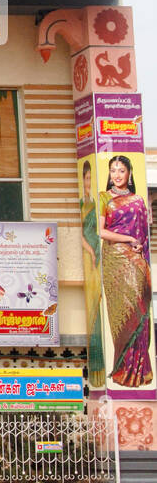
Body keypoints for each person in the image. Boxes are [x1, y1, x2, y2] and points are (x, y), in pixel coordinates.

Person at [99, 154, 154, 387]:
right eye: (113, 170)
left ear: (129, 174)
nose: (117, 175)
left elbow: (144, 235)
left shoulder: (139, 200)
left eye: (121, 170)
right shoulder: (103, 198)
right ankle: (123, 370)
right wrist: (129, 237)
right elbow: (102, 232)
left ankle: (139, 372)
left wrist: (138, 243)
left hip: (136, 260)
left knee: (138, 311)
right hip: (114, 261)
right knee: (121, 314)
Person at [80, 161, 106, 388]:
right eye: (86, 179)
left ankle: (102, 368)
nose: (88, 183)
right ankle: (95, 367)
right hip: (89, 258)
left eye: (91, 179)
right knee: (91, 313)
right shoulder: (82, 204)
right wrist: (90, 251)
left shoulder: (98, 203)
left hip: (100, 258)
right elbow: (81, 234)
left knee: (99, 308)